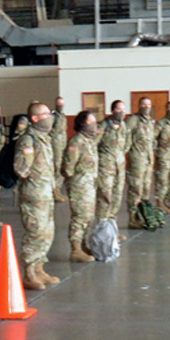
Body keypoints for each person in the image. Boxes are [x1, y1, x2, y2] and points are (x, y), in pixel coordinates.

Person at [13, 102, 60, 289]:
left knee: (47, 232)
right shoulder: (28, 140)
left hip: (46, 193)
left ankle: (40, 268)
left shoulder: (44, 138)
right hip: (34, 194)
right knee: (35, 232)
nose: (50, 117)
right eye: (45, 114)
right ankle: (30, 272)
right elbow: (21, 169)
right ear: (34, 119)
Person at [62, 109, 102, 262]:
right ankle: (75, 249)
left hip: (89, 184)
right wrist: (75, 182)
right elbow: (68, 167)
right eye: (91, 122)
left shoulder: (90, 141)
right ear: (82, 124)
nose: (94, 125)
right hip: (80, 185)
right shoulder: (76, 142)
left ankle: (83, 245)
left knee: (88, 216)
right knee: (80, 216)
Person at [125, 96, 158, 223]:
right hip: (137, 159)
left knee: (146, 188)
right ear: (139, 106)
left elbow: (152, 139)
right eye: (143, 104)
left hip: (148, 159)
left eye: (148, 105)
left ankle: (143, 213)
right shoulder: (133, 120)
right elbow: (126, 136)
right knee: (136, 188)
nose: (146, 107)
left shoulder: (150, 121)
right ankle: (132, 217)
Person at [97, 99, 129, 224]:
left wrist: (121, 153)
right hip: (106, 166)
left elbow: (128, 142)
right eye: (118, 109)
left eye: (123, 110)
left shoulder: (124, 126)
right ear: (112, 110)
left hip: (119, 167)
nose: (121, 112)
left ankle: (111, 227)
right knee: (105, 196)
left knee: (117, 195)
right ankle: (102, 226)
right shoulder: (103, 126)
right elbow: (94, 143)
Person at [49, 95, 70, 202]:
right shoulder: (52, 117)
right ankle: (54, 192)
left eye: (62, 104)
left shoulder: (63, 116)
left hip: (62, 145)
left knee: (62, 169)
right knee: (56, 169)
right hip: (55, 147)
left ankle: (57, 190)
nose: (61, 106)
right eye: (59, 104)